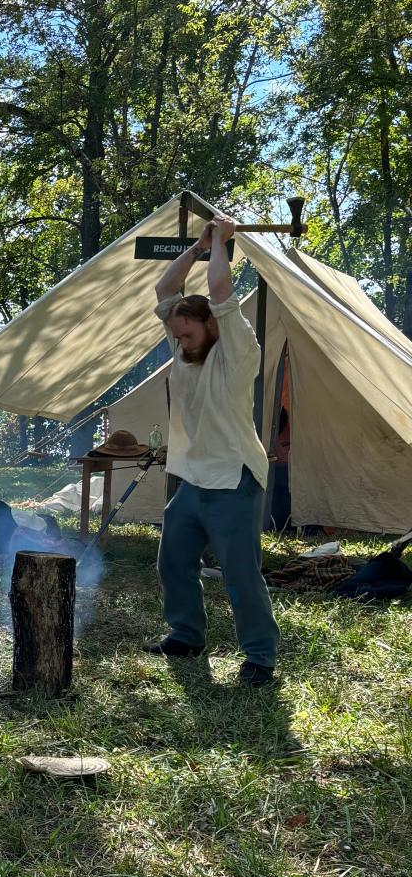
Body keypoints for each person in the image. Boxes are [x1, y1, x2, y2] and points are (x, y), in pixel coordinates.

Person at [147, 214, 279, 686]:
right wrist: (200, 243)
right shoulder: (184, 343)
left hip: (233, 479)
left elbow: (221, 292)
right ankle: (186, 634)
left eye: (187, 334)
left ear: (211, 326)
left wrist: (223, 241)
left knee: (241, 574)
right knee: (172, 560)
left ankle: (260, 658)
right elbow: (166, 288)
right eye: (177, 334)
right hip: (194, 477)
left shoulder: (238, 349)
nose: (179, 343)